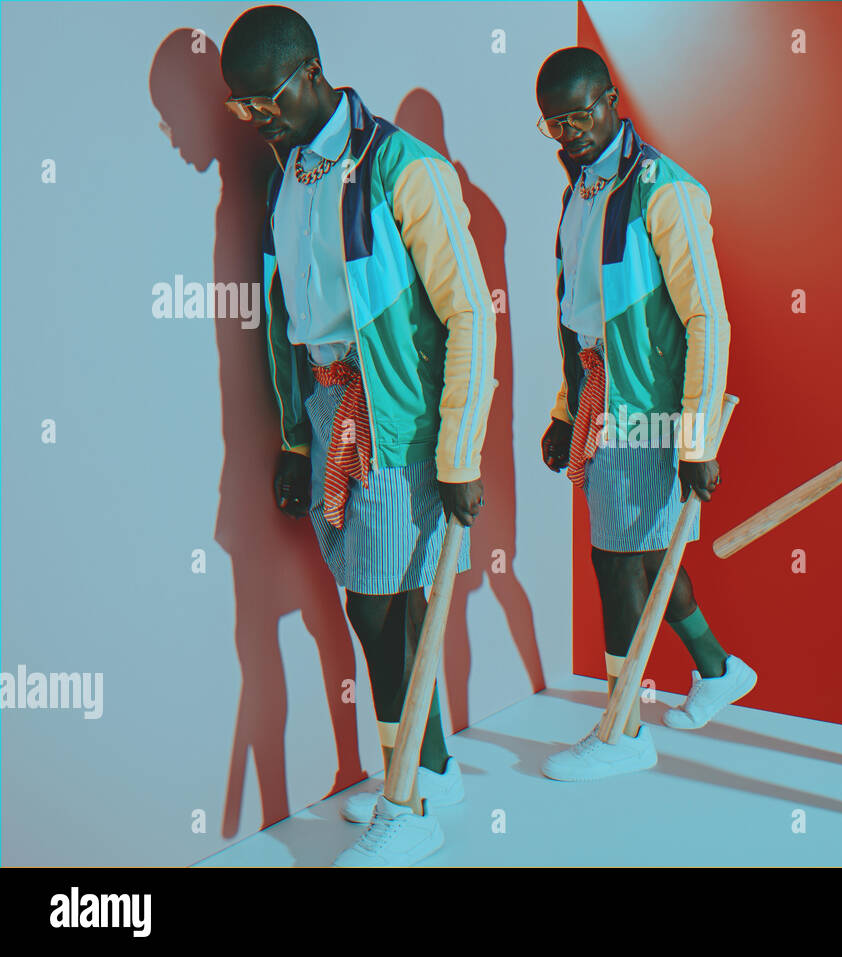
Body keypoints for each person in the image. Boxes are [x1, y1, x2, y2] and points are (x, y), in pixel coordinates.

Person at [220, 4, 497, 866]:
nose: (255, 121)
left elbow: (468, 318)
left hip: (397, 417)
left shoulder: (404, 171)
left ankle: (405, 799)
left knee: (378, 607)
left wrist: (458, 453)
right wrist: (298, 439)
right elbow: (285, 317)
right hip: (328, 408)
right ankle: (430, 765)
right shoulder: (288, 171)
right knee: (388, 601)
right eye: (240, 110)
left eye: (262, 102)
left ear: (309, 74)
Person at [534, 47, 756, 781]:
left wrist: (695, 437)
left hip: (650, 408)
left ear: (611, 98)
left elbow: (707, 320)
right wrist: (567, 411)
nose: (570, 132)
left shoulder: (665, 191)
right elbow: (579, 320)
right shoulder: (580, 193)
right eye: (555, 123)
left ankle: (623, 728)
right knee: (650, 552)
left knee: (617, 560)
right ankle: (717, 669)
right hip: (603, 398)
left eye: (581, 113)